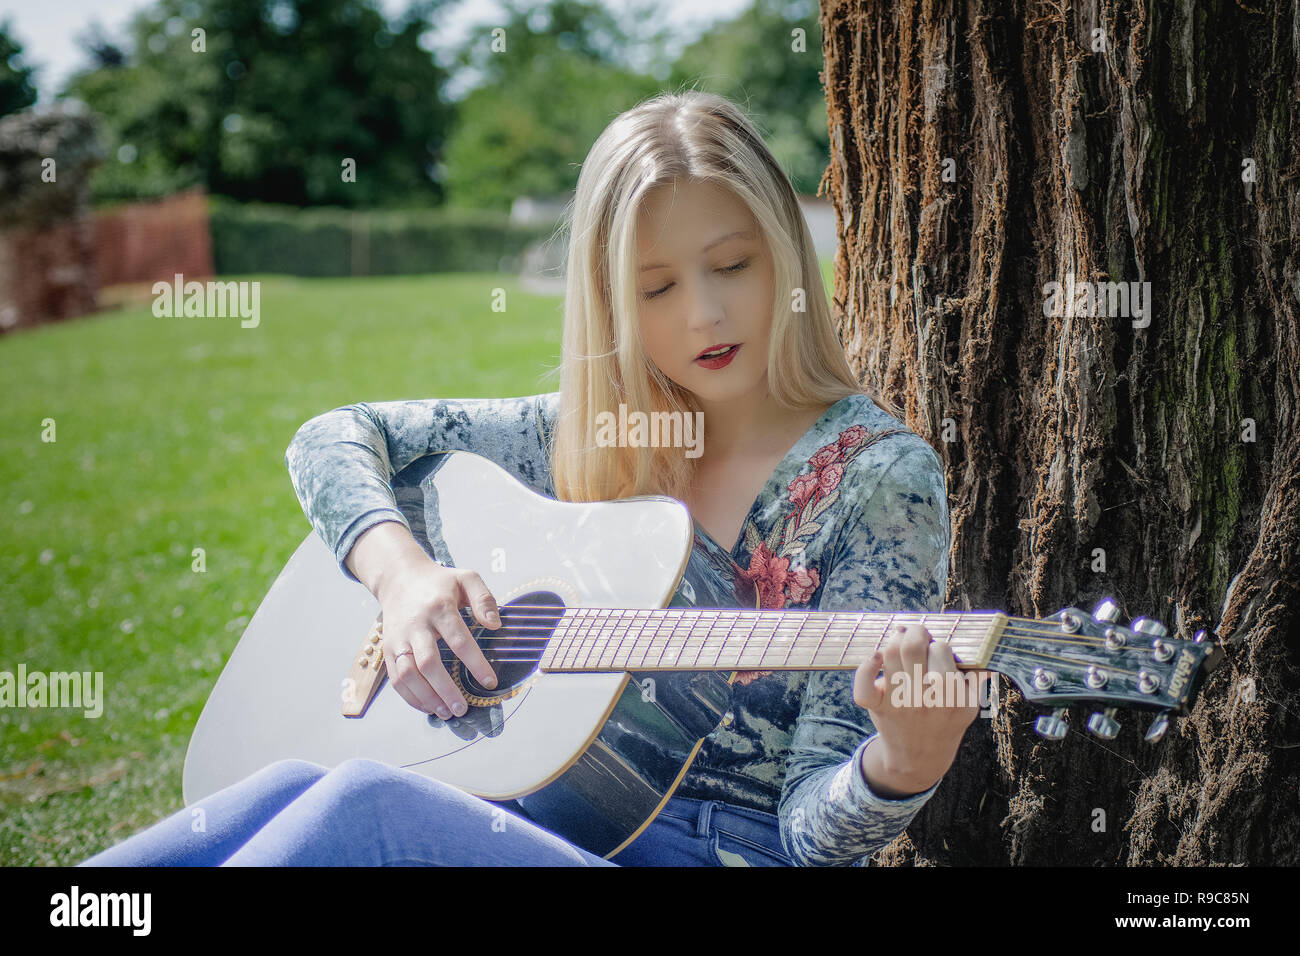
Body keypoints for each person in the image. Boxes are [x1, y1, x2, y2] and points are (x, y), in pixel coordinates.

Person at [81, 89, 982, 867]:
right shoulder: (589, 432)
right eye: (656, 287)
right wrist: (404, 582)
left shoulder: (876, 478)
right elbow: (333, 437)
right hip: (533, 813)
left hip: (709, 848)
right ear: (608, 300)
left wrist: (899, 766)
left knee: (361, 810)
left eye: (733, 265)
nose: (705, 311)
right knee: (275, 793)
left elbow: (803, 840)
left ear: (786, 253)